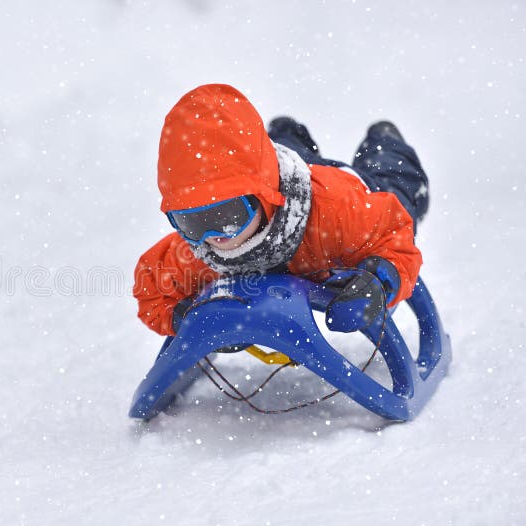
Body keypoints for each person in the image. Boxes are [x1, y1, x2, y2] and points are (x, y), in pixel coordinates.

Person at [133, 83, 430, 337]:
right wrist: (188, 318)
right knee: (275, 157)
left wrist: (378, 282)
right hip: (276, 171)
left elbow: (393, 232)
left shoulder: (339, 212)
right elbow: (152, 286)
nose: (214, 236)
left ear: (263, 198)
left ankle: (385, 141)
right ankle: (285, 135)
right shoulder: (201, 251)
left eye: (227, 218)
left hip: (346, 186)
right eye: (191, 222)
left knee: (399, 189)